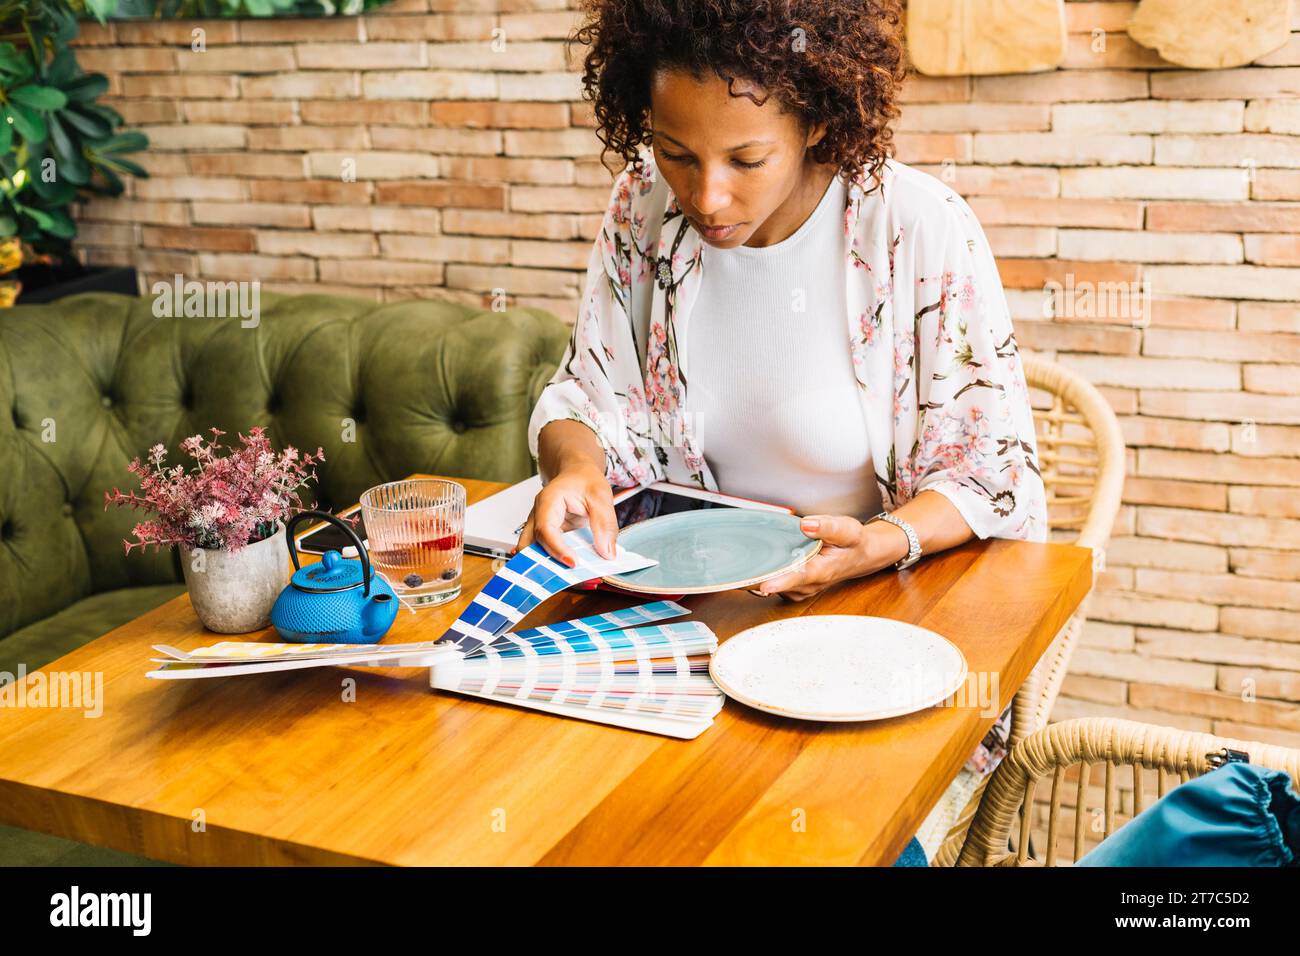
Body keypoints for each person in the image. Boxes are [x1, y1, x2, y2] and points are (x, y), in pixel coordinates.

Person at [514, 0, 1049, 863]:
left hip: (866, 641)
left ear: (818, 124)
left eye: (746, 158)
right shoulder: (643, 212)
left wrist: (882, 542)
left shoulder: (915, 227)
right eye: (677, 152)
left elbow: (994, 471)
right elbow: (589, 392)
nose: (706, 195)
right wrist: (572, 466)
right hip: (684, 632)